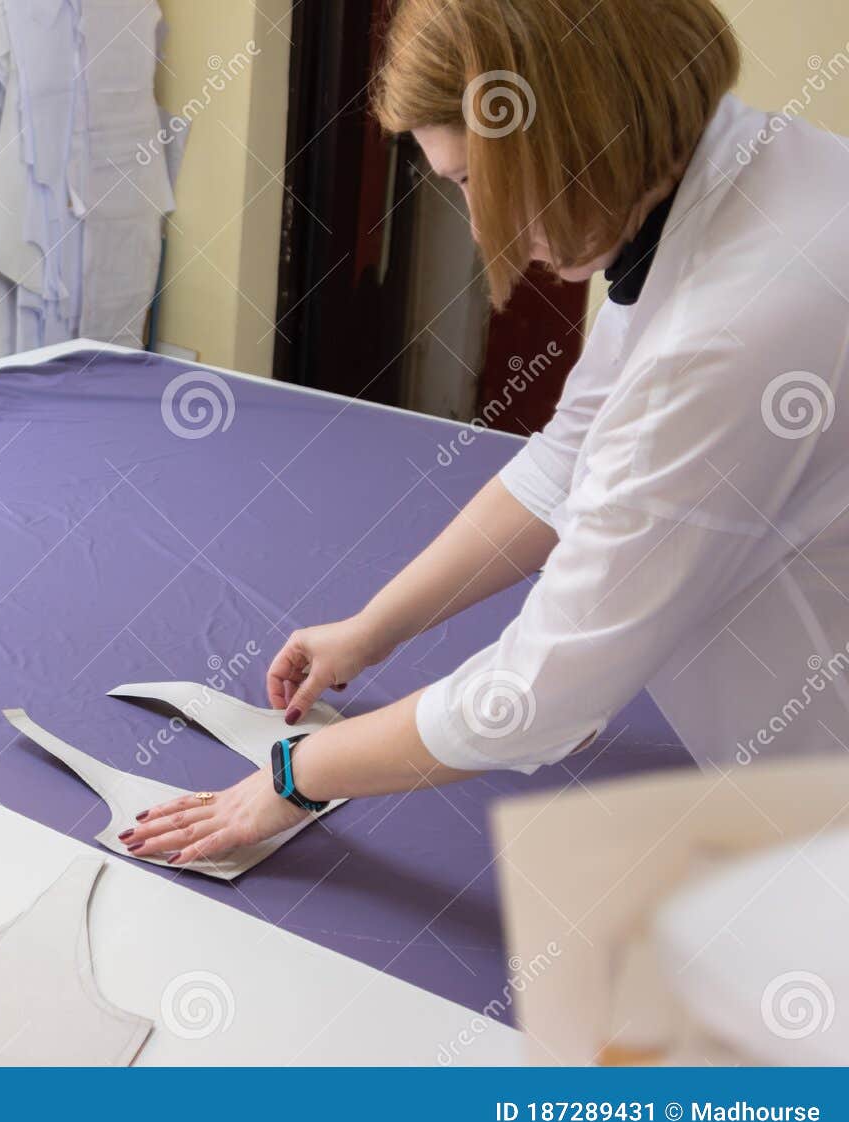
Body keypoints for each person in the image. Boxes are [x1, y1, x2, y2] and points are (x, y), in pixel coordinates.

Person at [118, 0, 849, 867]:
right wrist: (373, 628)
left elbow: (538, 696)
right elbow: (569, 456)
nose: (476, 227)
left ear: (578, 126)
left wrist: (293, 774)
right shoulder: (733, 171)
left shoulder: (731, 330)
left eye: (472, 180)